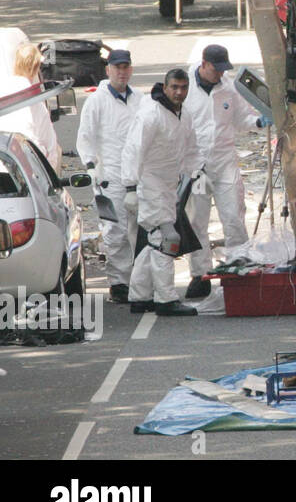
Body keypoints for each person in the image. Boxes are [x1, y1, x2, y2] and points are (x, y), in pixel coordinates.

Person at [182, 44, 265, 299]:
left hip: (224, 160)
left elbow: (242, 119)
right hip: (194, 164)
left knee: (233, 215)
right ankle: (200, 274)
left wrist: (259, 122)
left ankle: (237, 266)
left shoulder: (228, 87)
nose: (219, 74)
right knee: (197, 221)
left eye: (222, 70)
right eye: (215, 70)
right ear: (204, 64)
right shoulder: (184, 87)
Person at [122, 68, 200, 317]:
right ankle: (166, 299)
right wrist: (131, 188)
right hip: (150, 182)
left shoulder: (183, 115)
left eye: (183, 87)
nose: (179, 92)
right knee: (167, 238)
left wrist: (197, 173)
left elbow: (190, 147)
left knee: (153, 242)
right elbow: (134, 150)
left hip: (168, 185)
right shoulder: (151, 115)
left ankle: (140, 295)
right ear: (165, 87)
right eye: (174, 87)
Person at [74, 48, 142, 304]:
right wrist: (92, 167)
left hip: (136, 176)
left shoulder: (139, 99)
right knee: (115, 231)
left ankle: (137, 278)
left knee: (138, 230)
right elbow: (86, 137)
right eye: (118, 67)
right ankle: (119, 282)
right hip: (109, 178)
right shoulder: (97, 101)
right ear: (108, 70)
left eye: (126, 67)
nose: (122, 72)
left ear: (131, 69)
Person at [0, 43, 60, 170]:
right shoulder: (33, 101)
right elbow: (49, 143)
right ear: (36, 67)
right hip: (29, 166)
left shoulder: (4, 90)